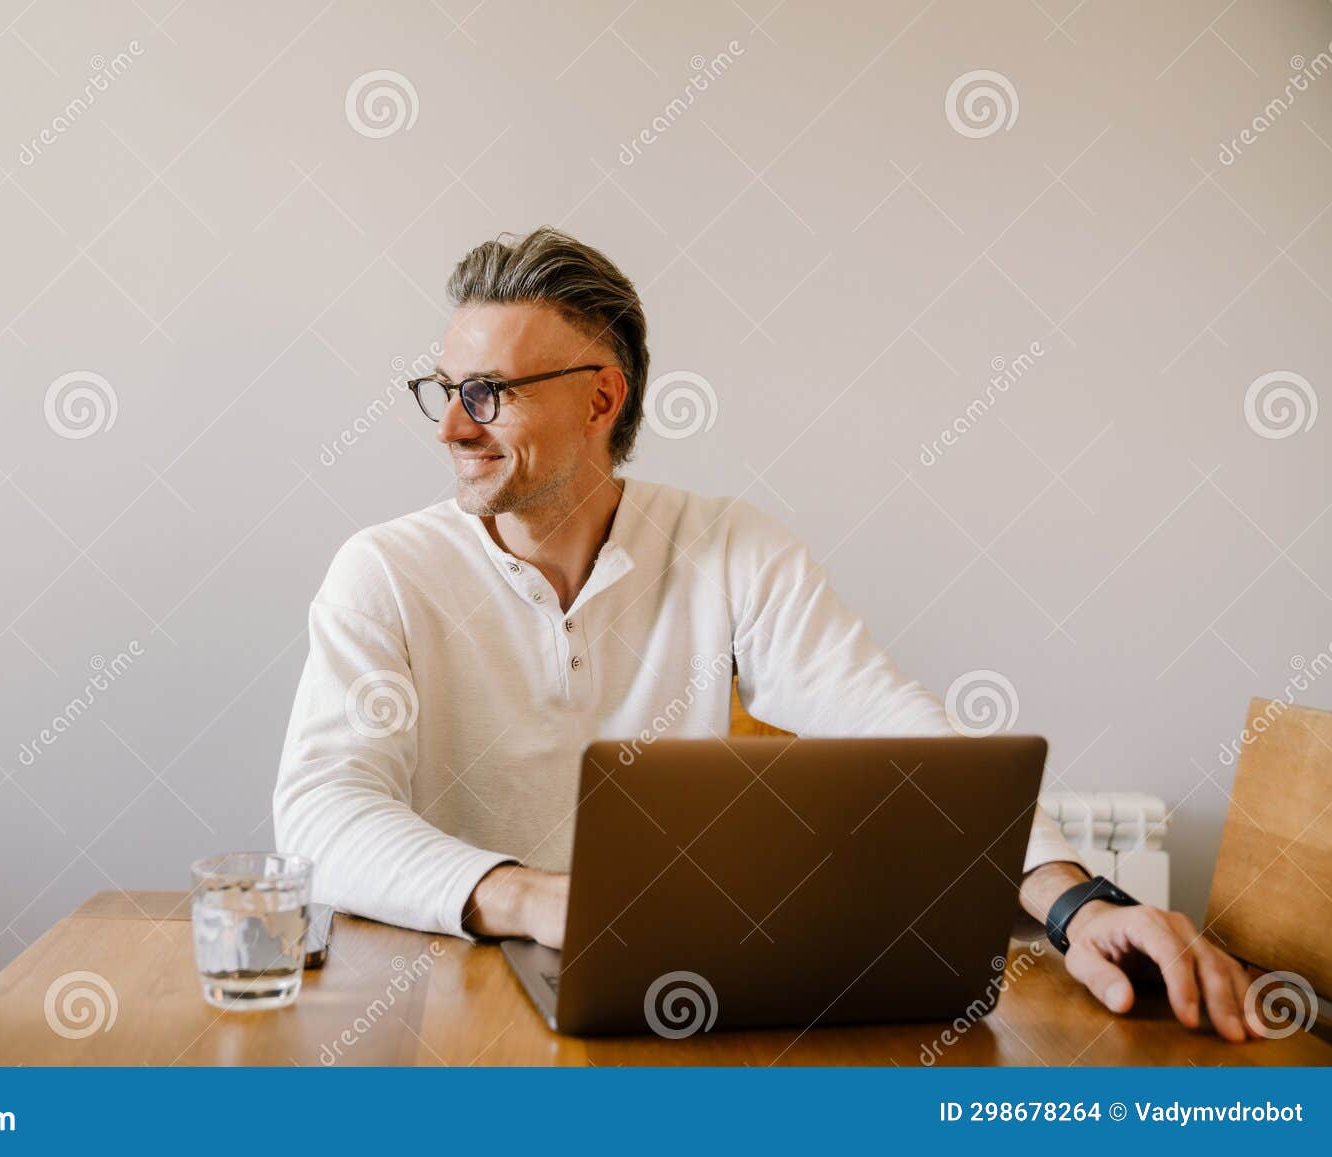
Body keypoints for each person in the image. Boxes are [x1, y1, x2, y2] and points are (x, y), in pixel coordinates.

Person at [275, 227, 1261, 1042]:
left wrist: (1072, 899)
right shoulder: (385, 570)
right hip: (451, 1020)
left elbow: (896, 731)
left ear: (599, 399)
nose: (451, 425)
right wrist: (538, 897)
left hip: (681, 1019)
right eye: (441, 390)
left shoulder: (724, 544)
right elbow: (320, 813)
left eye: (487, 392)